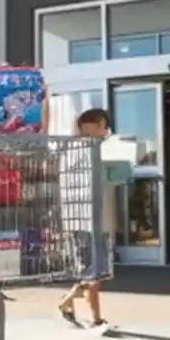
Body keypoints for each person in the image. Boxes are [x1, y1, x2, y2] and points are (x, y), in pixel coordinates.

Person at [58, 108, 127, 327]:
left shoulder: (72, 149)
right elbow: (119, 176)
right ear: (99, 124)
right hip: (93, 218)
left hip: (81, 217)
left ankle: (82, 309)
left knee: (94, 272)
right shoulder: (98, 148)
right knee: (94, 272)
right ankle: (83, 311)